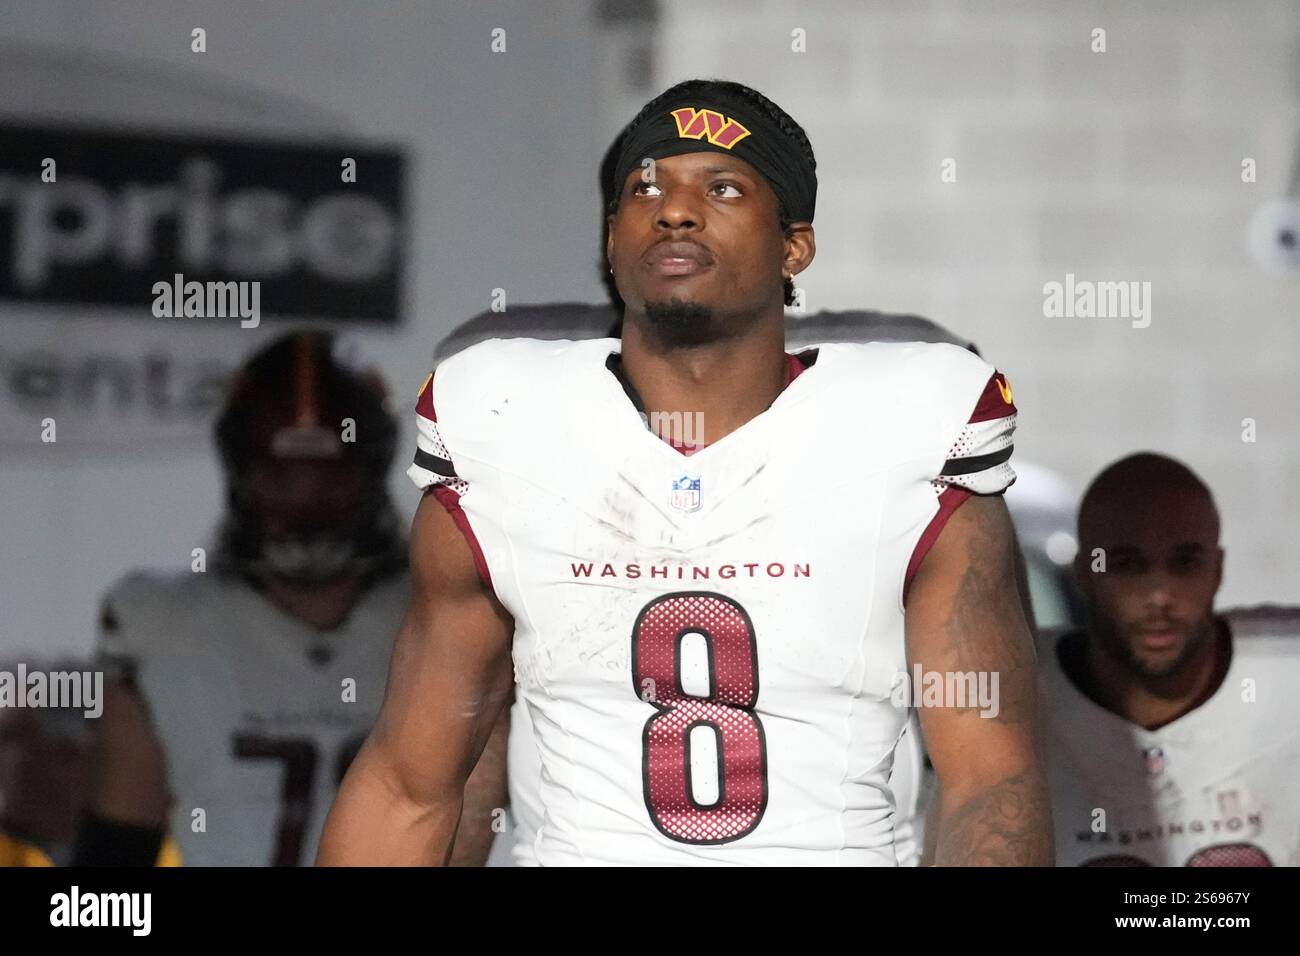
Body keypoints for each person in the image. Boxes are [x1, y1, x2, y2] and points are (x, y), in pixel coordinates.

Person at [320, 78, 1051, 866]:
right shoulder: (504, 422)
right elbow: (409, 783)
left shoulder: (909, 426)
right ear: (610, 238)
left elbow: (990, 780)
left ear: (794, 245)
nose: (674, 209)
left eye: (724, 187)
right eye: (646, 188)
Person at [74, 331, 505, 866]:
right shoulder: (160, 622)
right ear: (241, 475)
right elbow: (120, 847)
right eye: (280, 476)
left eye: (331, 476)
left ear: (370, 473)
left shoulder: (456, 609)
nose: (307, 504)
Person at [1043, 452, 1300, 866]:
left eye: (1185, 563)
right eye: (1128, 565)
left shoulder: (1285, 666)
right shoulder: (1017, 692)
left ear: (1217, 571)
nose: (1160, 597)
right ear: (1084, 576)